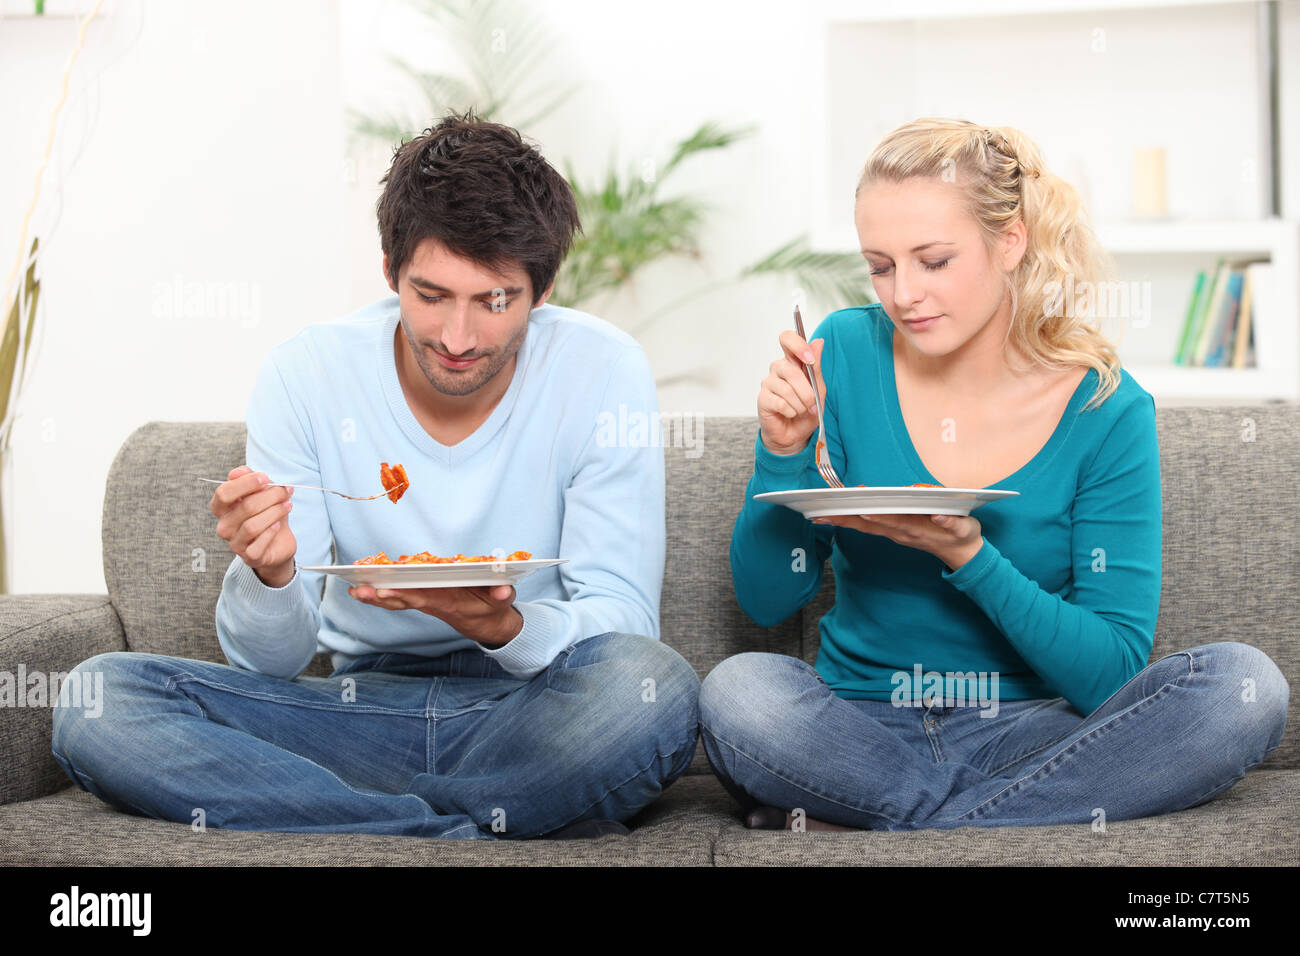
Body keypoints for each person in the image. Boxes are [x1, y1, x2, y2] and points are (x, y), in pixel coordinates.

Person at [52, 110, 699, 840]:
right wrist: (270, 576)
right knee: (98, 695)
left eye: (494, 301)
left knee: (657, 695)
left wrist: (502, 624)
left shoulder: (602, 370)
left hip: (528, 707)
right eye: (430, 296)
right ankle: (456, 830)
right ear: (391, 272)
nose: (459, 339)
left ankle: (348, 823)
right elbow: (273, 662)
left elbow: (624, 621)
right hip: (354, 712)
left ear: (542, 291)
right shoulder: (308, 375)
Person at [701, 117, 1288, 831]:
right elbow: (767, 600)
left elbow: (1110, 675)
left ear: (1010, 241)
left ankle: (899, 816)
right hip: (856, 727)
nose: (903, 294)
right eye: (881, 266)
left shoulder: (1105, 407)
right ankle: (989, 817)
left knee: (1243, 687)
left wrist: (968, 555)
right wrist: (782, 448)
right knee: (740, 693)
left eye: (935, 261)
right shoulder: (843, 353)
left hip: (1032, 735)